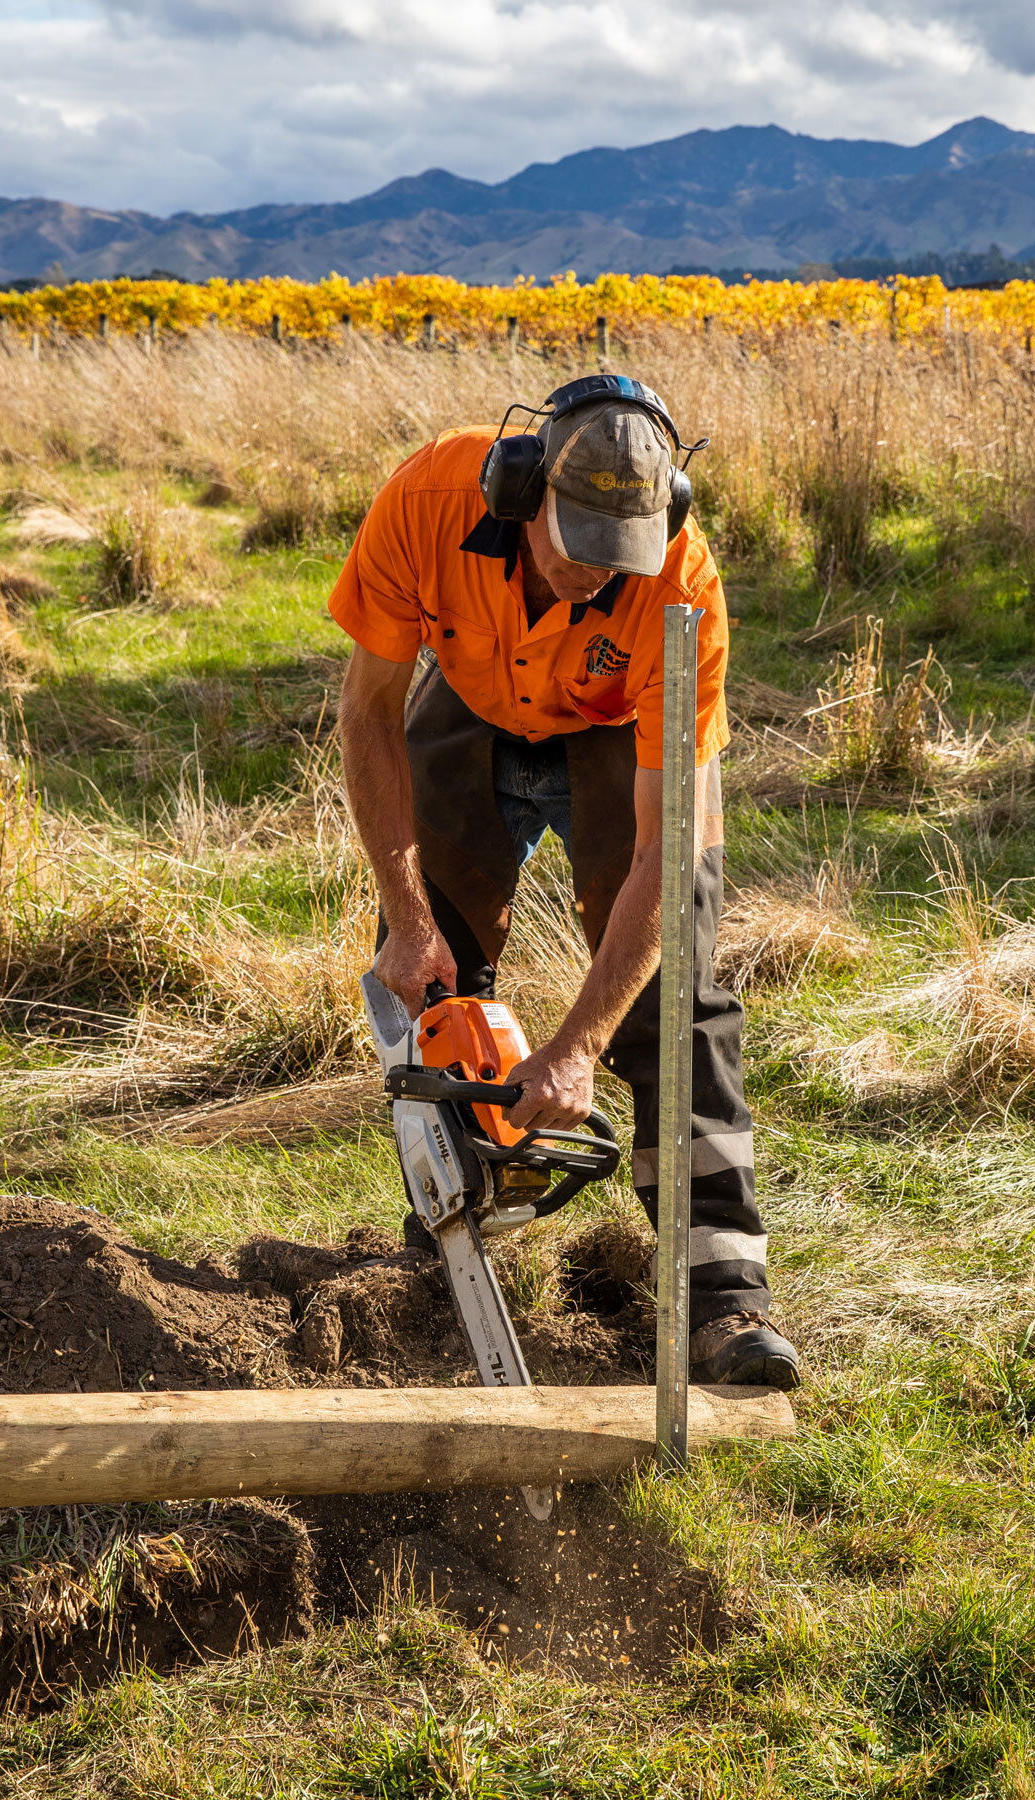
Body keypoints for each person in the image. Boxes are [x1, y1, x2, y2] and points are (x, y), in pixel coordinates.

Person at [329, 374, 801, 1389]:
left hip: (615, 730)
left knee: (671, 1006)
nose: (587, 573)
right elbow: (366, 714)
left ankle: (722, 1297)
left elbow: (665, 852)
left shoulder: (682, 588)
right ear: (521, 486)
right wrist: (408, 918)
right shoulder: (427, 499)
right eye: (573, 541)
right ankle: (447, 1239)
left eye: (613, 554)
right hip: (469, 702)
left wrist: (578, 1044)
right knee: (433, 978)